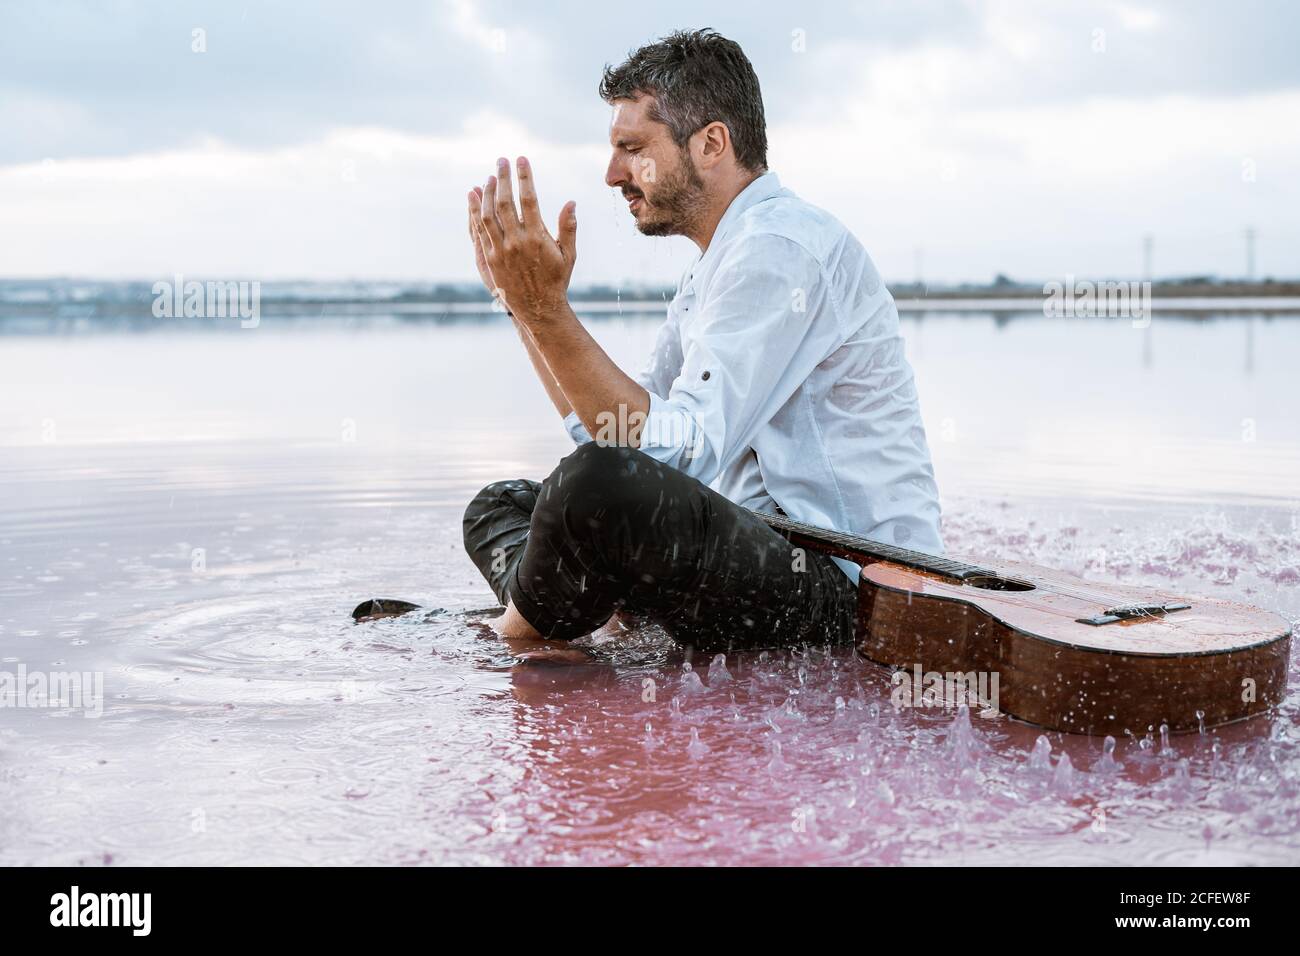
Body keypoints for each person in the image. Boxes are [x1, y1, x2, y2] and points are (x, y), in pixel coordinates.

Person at [461, 28, 942, 658]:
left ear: (711, 143)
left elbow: (673, 457)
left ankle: (525, 631)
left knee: (592, 488)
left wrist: (549, 313)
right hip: (767, 549)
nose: (612, 174)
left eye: (632, 148)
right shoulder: (717, 260)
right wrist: (528, 311)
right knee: (500, 506)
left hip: (852, 588)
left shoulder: (780, 247)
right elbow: (617, 434)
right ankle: (573, 614)